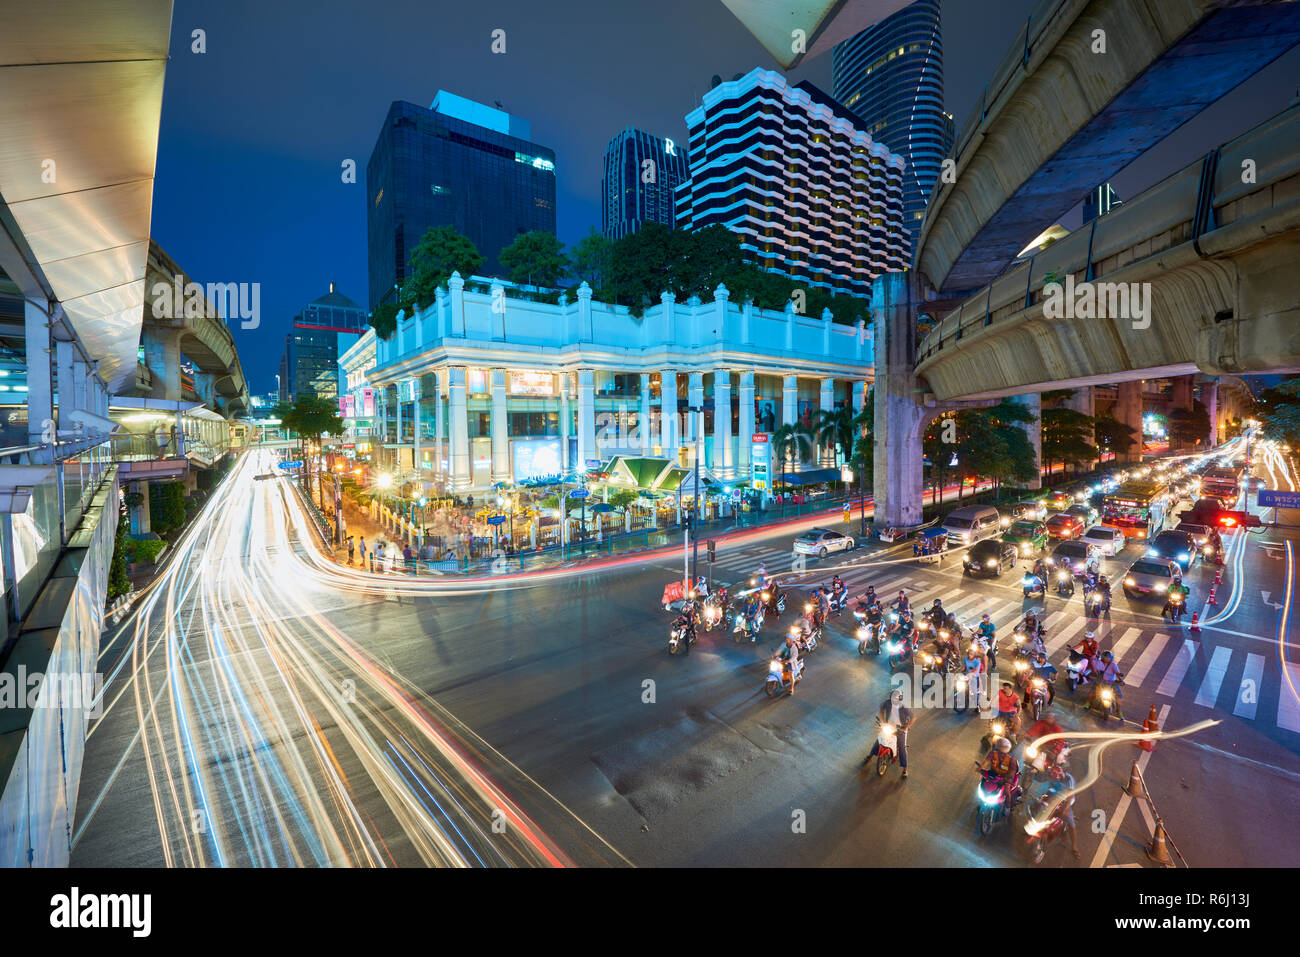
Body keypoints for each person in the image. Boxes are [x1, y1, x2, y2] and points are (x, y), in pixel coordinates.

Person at [864, 690, 913, 779]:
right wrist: (883, 721)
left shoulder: (904, 707)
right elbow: (881, 710)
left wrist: (906, 727)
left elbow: (913, 718)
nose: (894, 701)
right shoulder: (887, 703)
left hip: (900, 729)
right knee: (879, 740)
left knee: (902, 748)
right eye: (893, 699)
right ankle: (870, 756)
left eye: (896, 699)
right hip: (889, 727)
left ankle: (905, 769)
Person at [977, 737, 1021, 807]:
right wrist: (980, 768)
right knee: (983, 780)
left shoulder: (1011, 760)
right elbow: (987, 761)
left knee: (1007, 790)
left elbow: (1012, 771)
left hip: (1005, 777)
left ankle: (1007, 807)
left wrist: (1008, 778)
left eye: (1003, 747)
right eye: (1000, 747)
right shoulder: (993, 754)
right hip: (993, 774)